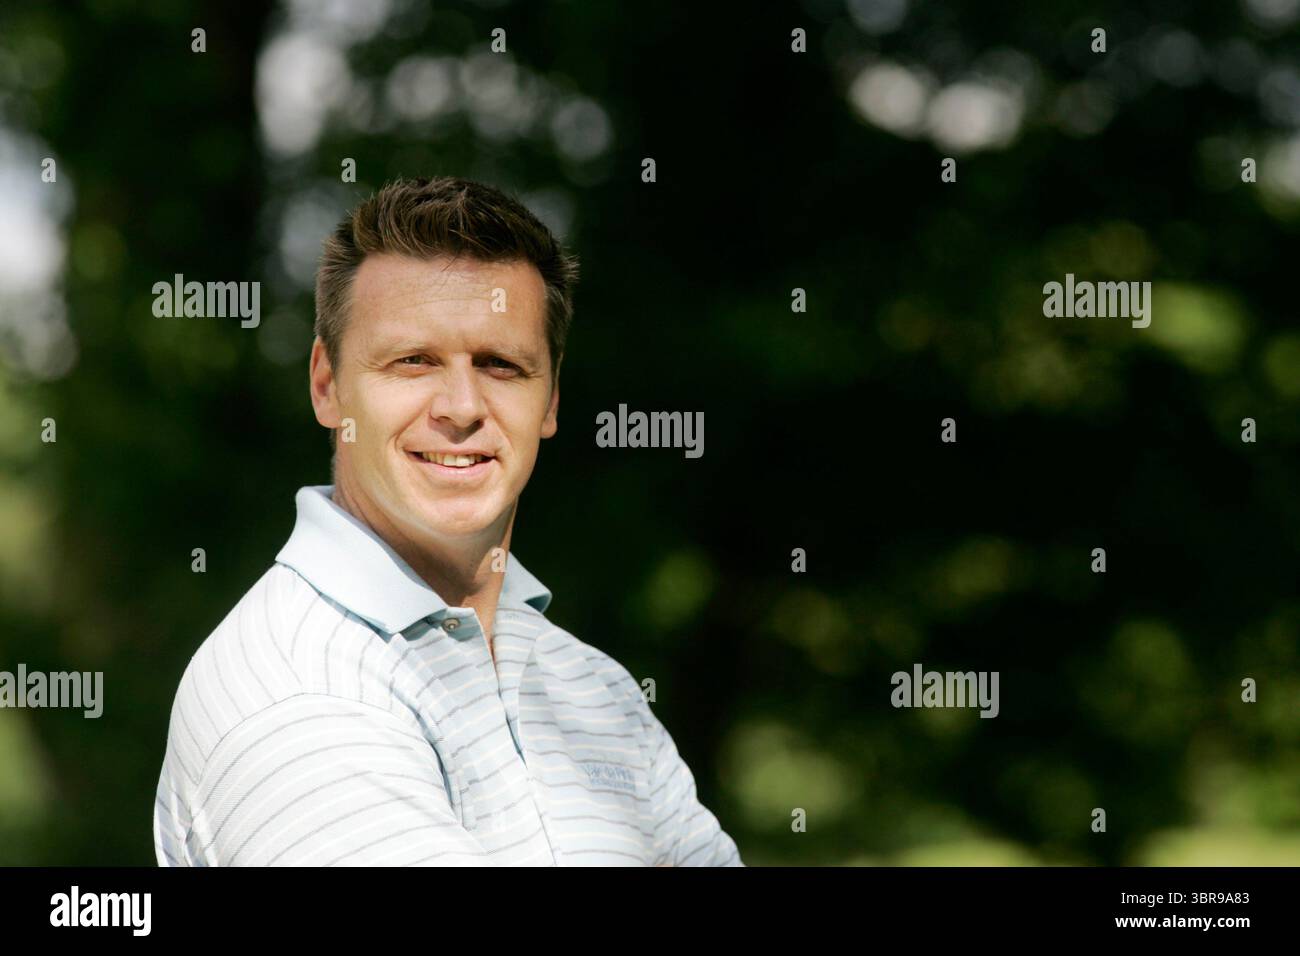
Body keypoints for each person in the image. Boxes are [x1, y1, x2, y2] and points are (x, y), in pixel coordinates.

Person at [151, 176, 743, 866]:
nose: (461, 406)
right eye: (413, 361)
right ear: (326, 385)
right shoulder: (291, 686)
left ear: (549, 400)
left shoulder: (597, 690)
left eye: (499, 364)